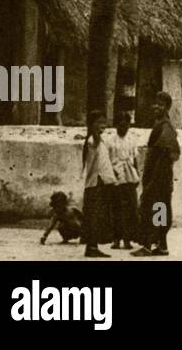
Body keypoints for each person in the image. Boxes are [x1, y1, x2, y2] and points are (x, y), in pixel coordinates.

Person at [134, 91, 181, 257]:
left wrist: (154, 178)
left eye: (161, 105)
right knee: (161, 209)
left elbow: (171, 153)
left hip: (159, 177)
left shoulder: (165, 127)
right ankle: (162, 246)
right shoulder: (160, 124)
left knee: (150, 208)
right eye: (156, 103)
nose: (156, 107)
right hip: (160, 177)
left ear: (167, 107)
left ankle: (147, 246)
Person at [81, 110, 117, 258]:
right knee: (94, 217)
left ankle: (93, 246)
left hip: (100, 182)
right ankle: (92, 247)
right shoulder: (92, 141)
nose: (102, 125)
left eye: (103, 122)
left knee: (97, 217)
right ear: (91, 124)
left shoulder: (98, 141)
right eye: (98, 123)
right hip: (96, 183)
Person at [105, 111, 139, 250]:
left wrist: (136, 175)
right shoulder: (110, 140)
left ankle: (127, 239)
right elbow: (106, 160)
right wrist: (110, 175)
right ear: (116, 125)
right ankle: (116, 239)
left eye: (127, 125)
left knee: (130, 209)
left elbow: (135, 158)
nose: (124, 128)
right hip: (116, 175)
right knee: (116, 208)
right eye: (121, 125)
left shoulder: (131, 140)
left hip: (129, 175)